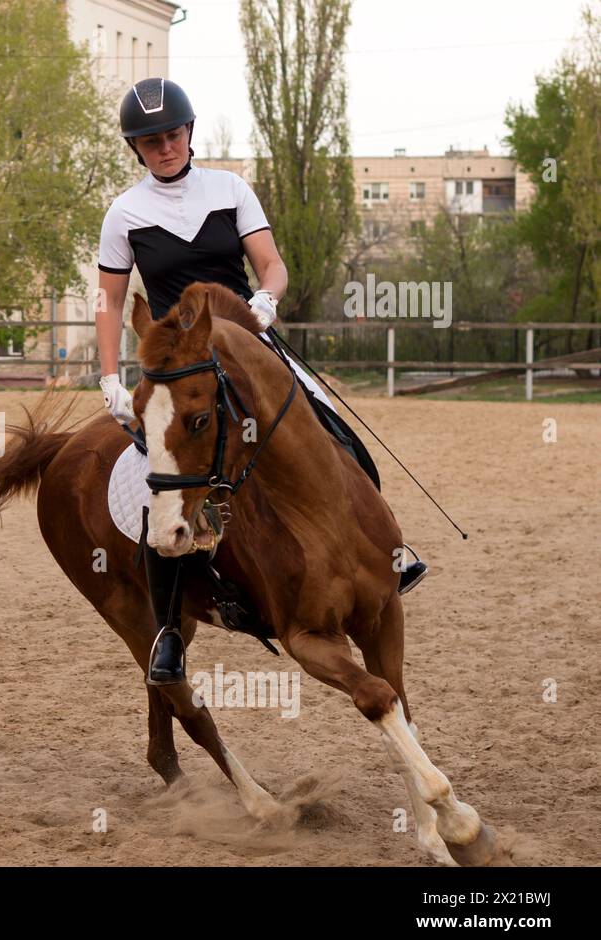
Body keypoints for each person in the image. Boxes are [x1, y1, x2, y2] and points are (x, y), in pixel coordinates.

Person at [94, 77, 427, 686]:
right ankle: (169, 626)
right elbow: (110, 302)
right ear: (136, 148)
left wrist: (267, 300)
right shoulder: (124, 213)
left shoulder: (229, 188)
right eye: (150, 141)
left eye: (171, 135)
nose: (163, 147)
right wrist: (110, 377)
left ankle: (385, 548)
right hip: (179, 368)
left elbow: (270, 263)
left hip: (249, 345)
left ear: (188, 133)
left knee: (329, 421)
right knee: (152, 481)